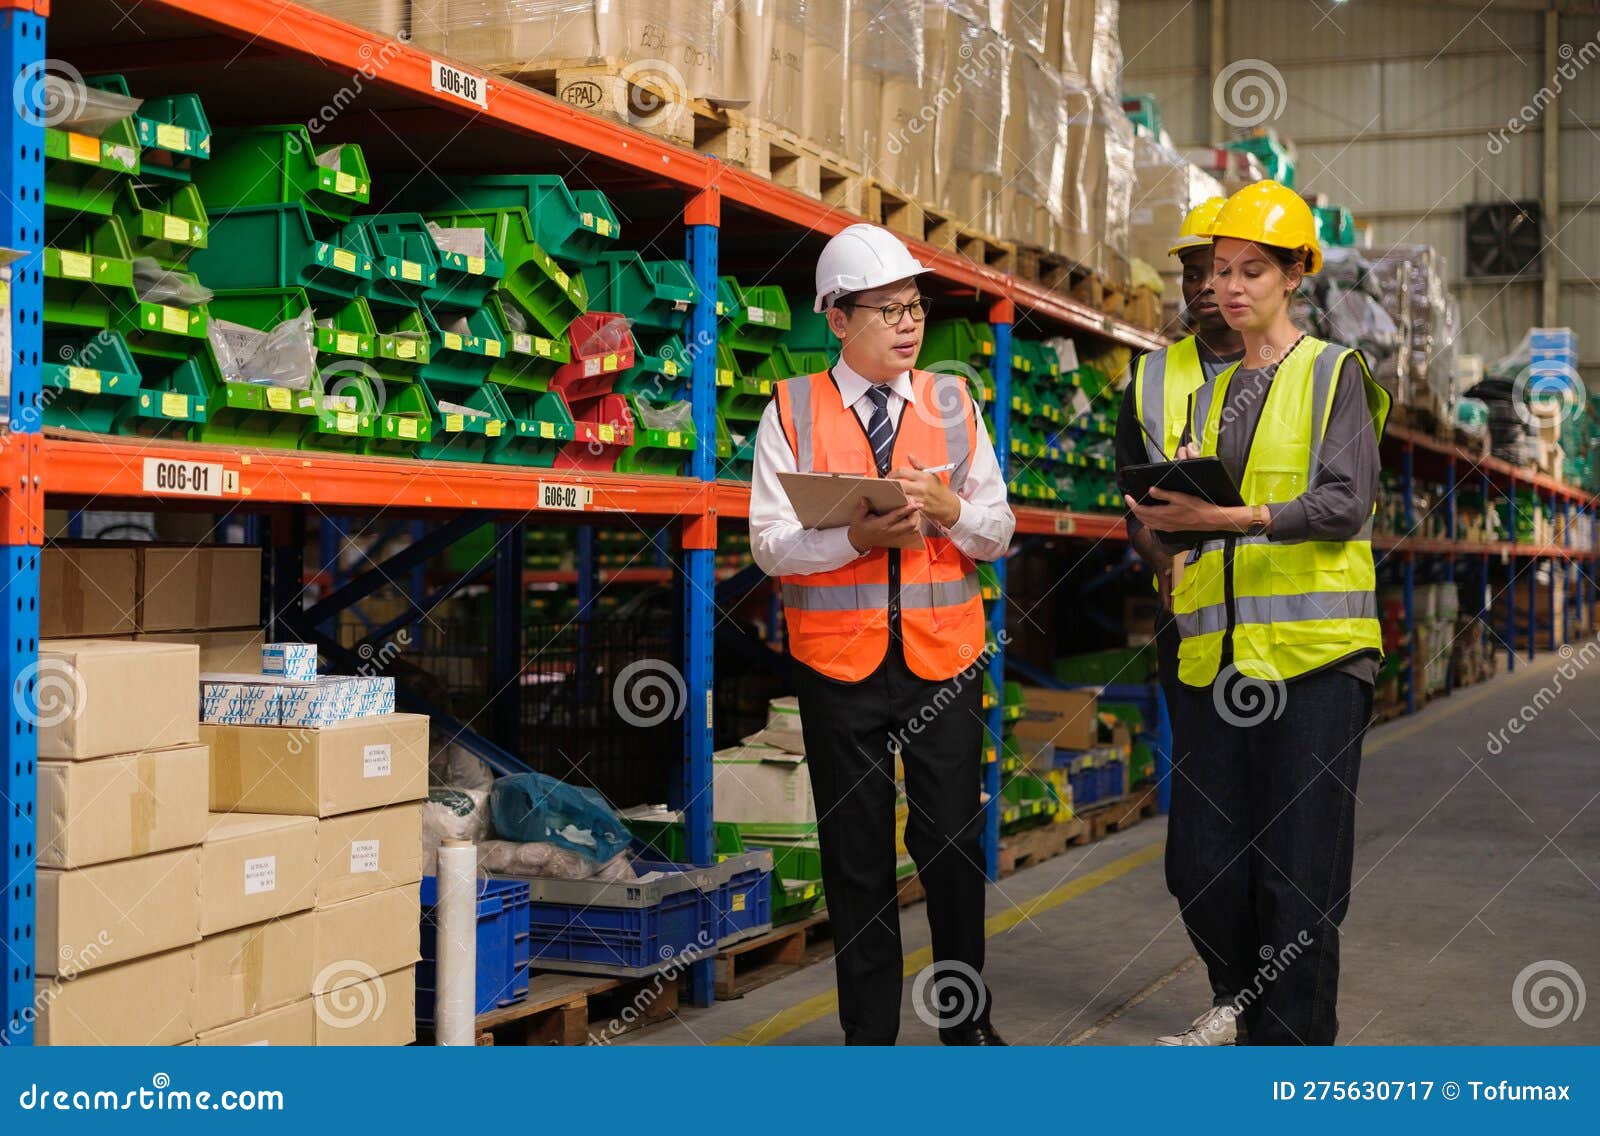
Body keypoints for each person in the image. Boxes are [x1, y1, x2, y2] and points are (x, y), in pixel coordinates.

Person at [1124, 181, 1388, 1046]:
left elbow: (1346, 502)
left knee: (1299, 877)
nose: (1227, 287)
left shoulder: (1333, 374)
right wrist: (1166, 525)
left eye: (1251, 271)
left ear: (1294, 276)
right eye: (1220, 270)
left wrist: (1229, 517)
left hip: (1317, 659)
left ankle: (1290, 1057)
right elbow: (1187, 521)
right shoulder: (1203, 393)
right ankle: (1244, 1005)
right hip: (1214, 657)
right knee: (1201, 867)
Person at [749, 223, 1016, 1045]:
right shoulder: (791, 408)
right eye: (888, 310)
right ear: (837, 319)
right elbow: (769, 544)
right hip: (838, 666)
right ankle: (869, 1039)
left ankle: (966, 1026)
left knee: (952, 844)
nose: (909, 325)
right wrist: (854, 540)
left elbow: (999, 531)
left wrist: (953, 510)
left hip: (943, 657)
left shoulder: (952, 402)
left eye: (915, 308)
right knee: (856, 854)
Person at [1114, 196, 1250, 1046]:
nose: (1204, 285)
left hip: (1292, 641)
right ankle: (1232, 992)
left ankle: (1274, 1007)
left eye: (1222, 269)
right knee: (1198, 847)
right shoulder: (1152, 378)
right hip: (1195, 635)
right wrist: (1159, 556)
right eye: (1194, 272)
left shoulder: (1307, 374)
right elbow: (1135, 503)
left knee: (1285, 837)